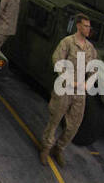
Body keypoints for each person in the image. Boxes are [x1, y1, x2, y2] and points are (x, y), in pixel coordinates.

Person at [40, 13, 98, 167]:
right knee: (55, 119)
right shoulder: (68, 42)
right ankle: (46, 148)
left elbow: (95, 69)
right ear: (78, 26)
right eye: (86, 26)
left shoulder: (90, 48)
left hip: (79, 91)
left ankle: (59, 148)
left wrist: (88, 83)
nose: (88, 29)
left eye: (89, 27)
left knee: (74, 124)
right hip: (65, 87)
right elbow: (57, 60)